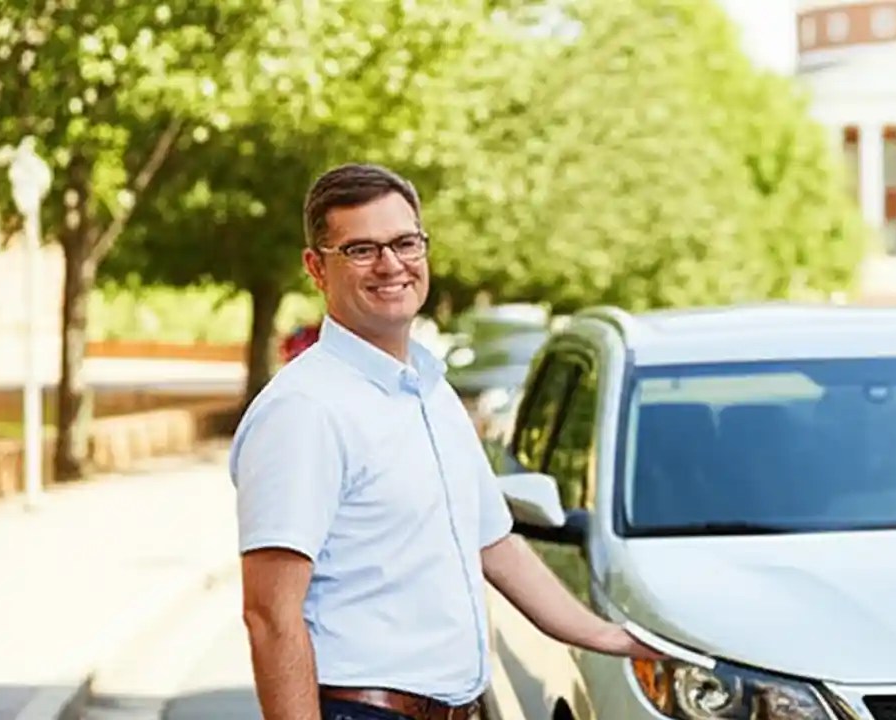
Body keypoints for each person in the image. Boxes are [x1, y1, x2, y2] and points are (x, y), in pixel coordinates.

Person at [229, 163, 663, 720]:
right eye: (361, 250)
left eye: (405, 242)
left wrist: (613, 638)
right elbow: (270, 615)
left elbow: (495, 544)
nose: (391, 265)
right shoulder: (304, 411)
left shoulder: (431, 392)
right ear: (317, 267)